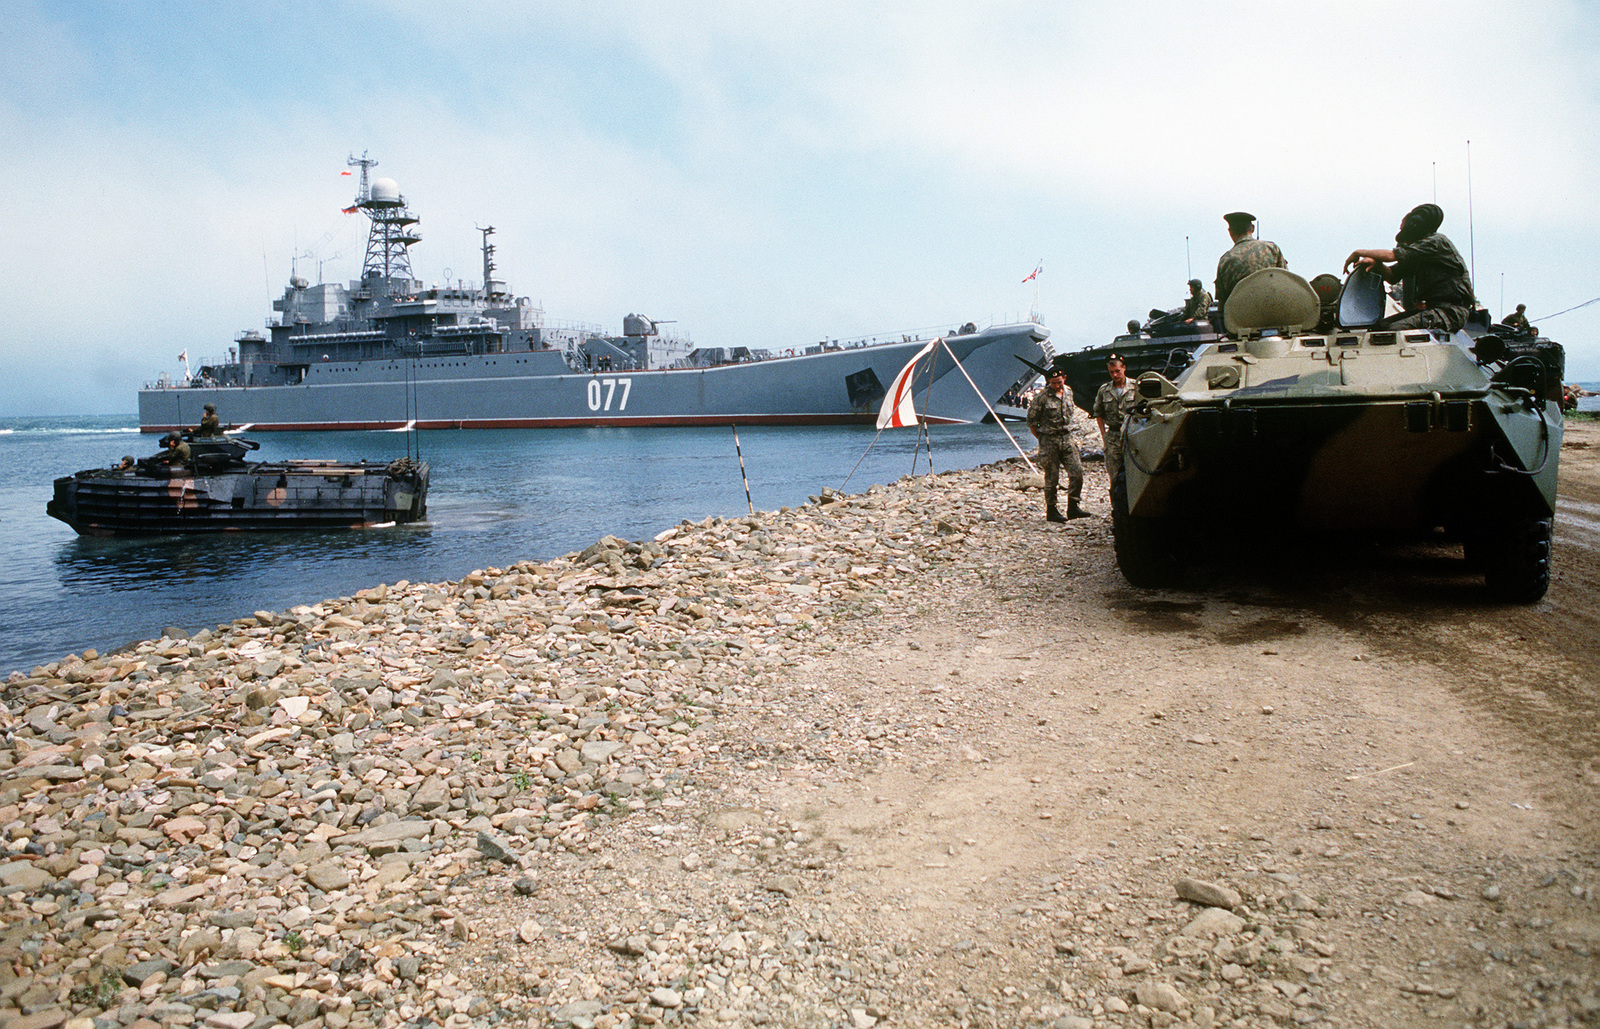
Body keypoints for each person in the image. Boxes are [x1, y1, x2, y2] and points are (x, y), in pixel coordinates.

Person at [1343, 203, 1476, 333]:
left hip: (1450, 312)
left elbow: (1391, 255)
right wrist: (1377, 265)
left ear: (1414, 225)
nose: (1401, 230)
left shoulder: (1436, 242)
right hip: (1434, 309)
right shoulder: (1419, 253)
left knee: (1390, 333)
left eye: (1403, 227)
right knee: (1379, 327)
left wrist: (1358, 252)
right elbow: (1392, 276)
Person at [1026, 368, 1090, 522]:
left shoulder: (1068, 391)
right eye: (1053, 383)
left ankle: (1073, 507)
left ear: (1065, 378)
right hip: (1049, 440)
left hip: (1067, 438)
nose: (1056, 385)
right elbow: (1032, 423)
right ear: (1048, 381)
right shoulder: (1041, 397)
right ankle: (1052, 510)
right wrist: (1043, 439)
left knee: (1077, 473)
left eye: (1059, 382)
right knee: (1052, 479)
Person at [1215, 212, 1286, 325]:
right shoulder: (1271, 248)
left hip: (1242, 323)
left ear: (1230, 232)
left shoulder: (1226, 260)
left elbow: (1223, 301)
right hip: (1276, 317)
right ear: (1252, 228)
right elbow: (1285, 281)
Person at [1093, 353, 1139, 485]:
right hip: (1113, 436)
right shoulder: (1104, 390)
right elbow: (1098, 413)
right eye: (1111, 372)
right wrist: (1104, 435)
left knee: (1135, 473)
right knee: (1114, 475)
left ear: (1124, 368)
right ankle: (1117, 504)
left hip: (1132, 434)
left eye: (1117, 371)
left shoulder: (1135, 387)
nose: (1115, 375)